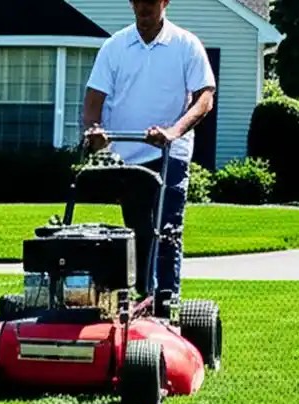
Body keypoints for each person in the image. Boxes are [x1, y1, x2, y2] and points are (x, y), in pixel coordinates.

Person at [82, 0, 216, 309]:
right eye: (138, 1)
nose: (144, 8)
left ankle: (167, 303)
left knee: (166, 230)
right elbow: (93, 102)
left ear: (165, 2)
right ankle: (143, 298)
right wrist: (94, 131)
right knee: (138, 233)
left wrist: (173, 131)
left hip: (172, 153)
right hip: (128, 157)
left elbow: (204, 97)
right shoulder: (115, 47)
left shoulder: (186, 45)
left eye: (150, 2)